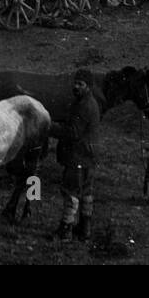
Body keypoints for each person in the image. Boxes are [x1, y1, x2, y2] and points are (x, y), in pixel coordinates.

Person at [53, 72, 100, 242]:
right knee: (86, 193)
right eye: (75, 83)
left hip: (77, 156)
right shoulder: (89, 103)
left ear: (88, 86)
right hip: (89, 157)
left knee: (70, 193)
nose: (76, 87)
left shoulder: (83, 105)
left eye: (80, 84)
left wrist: (50, 128)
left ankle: (65, 230)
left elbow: (72, 132)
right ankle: (85, 230)